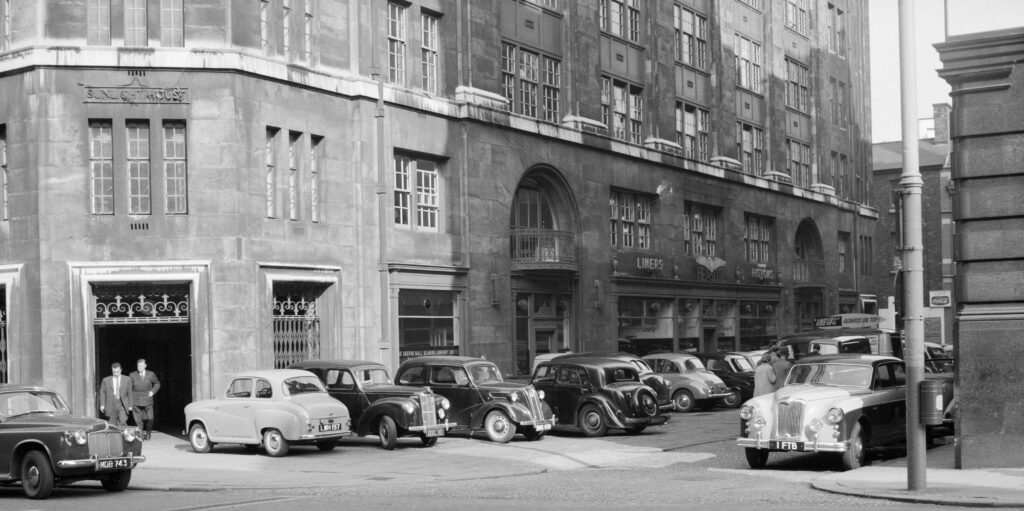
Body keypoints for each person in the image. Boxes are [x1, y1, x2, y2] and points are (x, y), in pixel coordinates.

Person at [129, 358, 161, 440]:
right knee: (138, 420)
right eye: (138, 366)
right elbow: (129, 388)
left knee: (150, 418)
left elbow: (157, 383)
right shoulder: (132, 375)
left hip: (148, 399)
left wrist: (152, 391)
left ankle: (148, 432)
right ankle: (140, 435)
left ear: (145, 366)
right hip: (136, 400)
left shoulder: (151, 374)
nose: (139, 368)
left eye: (141, 366)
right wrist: (130, 401)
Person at [98, 362, 133, 427]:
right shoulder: (105, 380)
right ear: (112, 371)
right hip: (111, 404)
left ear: (121, 370)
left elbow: (130, 393)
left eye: (117, 372)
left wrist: (130, 405)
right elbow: (102, 392)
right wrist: (102, 404)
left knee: (122, 421)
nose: (116, 374)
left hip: (122, 404)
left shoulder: (127, 379)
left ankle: (123, 433)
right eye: (114, 372)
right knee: (112, 424)